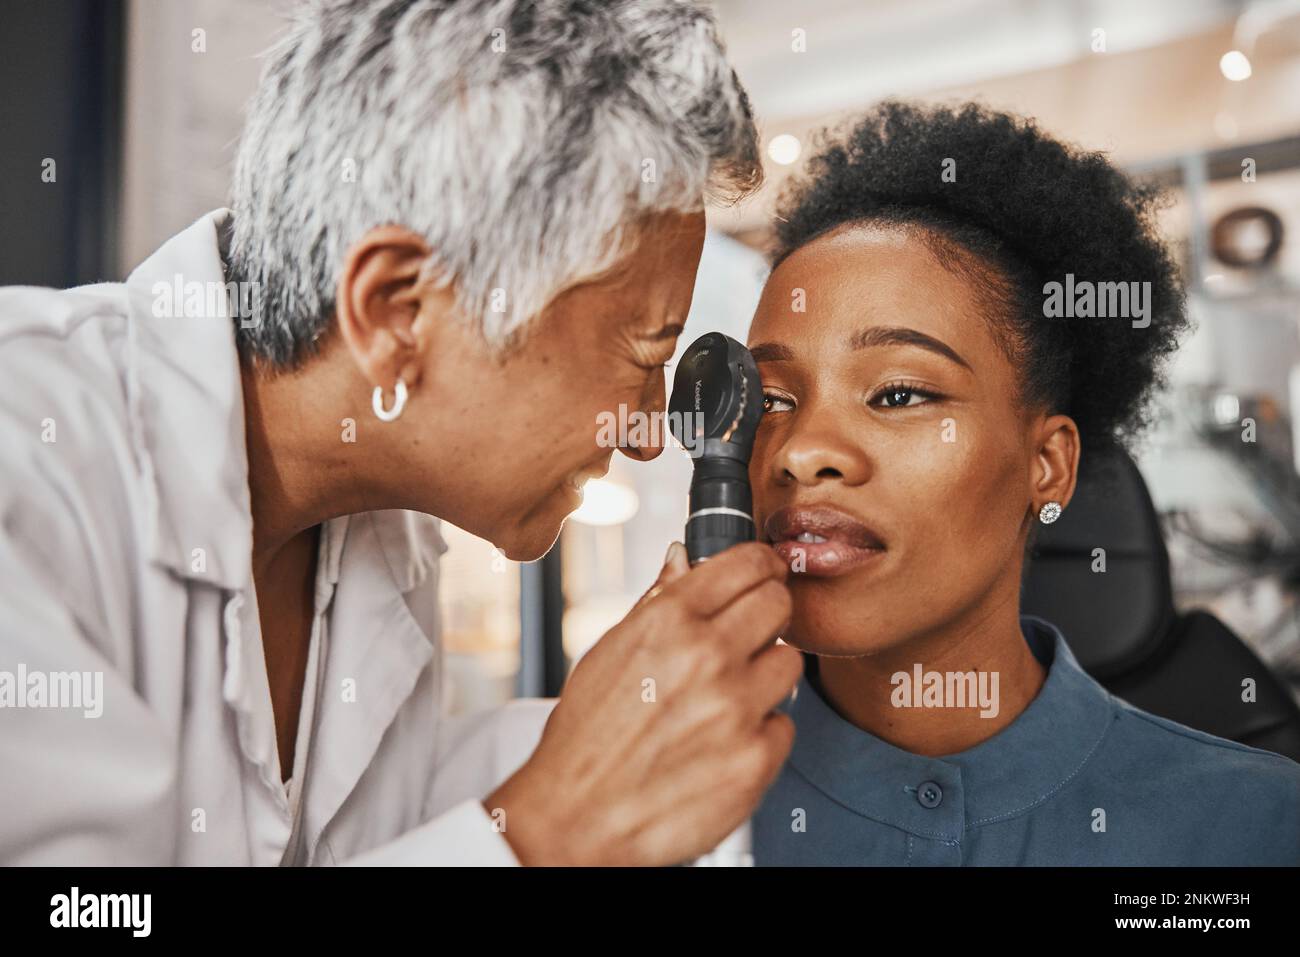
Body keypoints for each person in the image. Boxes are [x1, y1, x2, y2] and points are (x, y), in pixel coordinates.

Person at [0, 0, 802, 866]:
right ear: (396, 312)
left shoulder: (380, 536)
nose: (648, 433)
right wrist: (541, 829)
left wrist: (638, 726)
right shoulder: (26, 459)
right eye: (645, 350)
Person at [744, 101, 1300, 865]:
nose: (799, 452)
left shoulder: (1255, 826)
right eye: (772, 400)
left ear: (1048, 465)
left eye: (900, 393)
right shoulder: (656, 810)